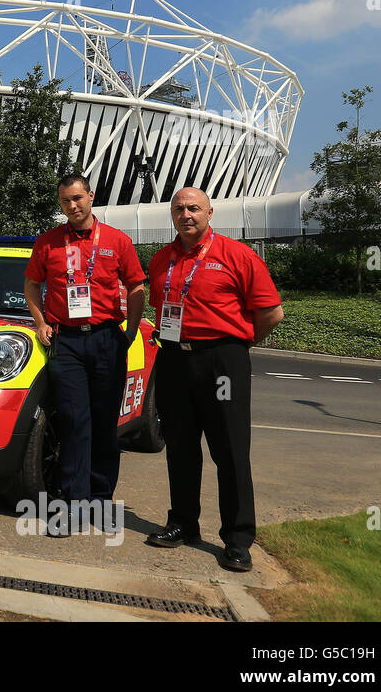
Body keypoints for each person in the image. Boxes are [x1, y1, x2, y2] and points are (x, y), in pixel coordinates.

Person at [145, 187, 283, 572]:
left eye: (193, 208)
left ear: (209, 212)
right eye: (178, 209)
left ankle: (238, 540)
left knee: (230, 450)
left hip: (222, 362)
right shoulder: (161, 260)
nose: (185, 214)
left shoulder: (237, 255)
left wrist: (236, 347)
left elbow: (271, 313)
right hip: (175, 359)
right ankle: (183, 524)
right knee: (181, 446)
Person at [25, 174, 147, 529]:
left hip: (108, 338)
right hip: (68, 342)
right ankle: (74, 502)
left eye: (78, 198)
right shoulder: (48, 242)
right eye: (65, 201)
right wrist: (40, 322)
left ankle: (100, 500)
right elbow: (32, 284)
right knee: (74, 422)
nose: (73, 206)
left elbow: (136, 285)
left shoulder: (116, 240)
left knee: (105, 422)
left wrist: (129, 330)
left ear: (91, 196)